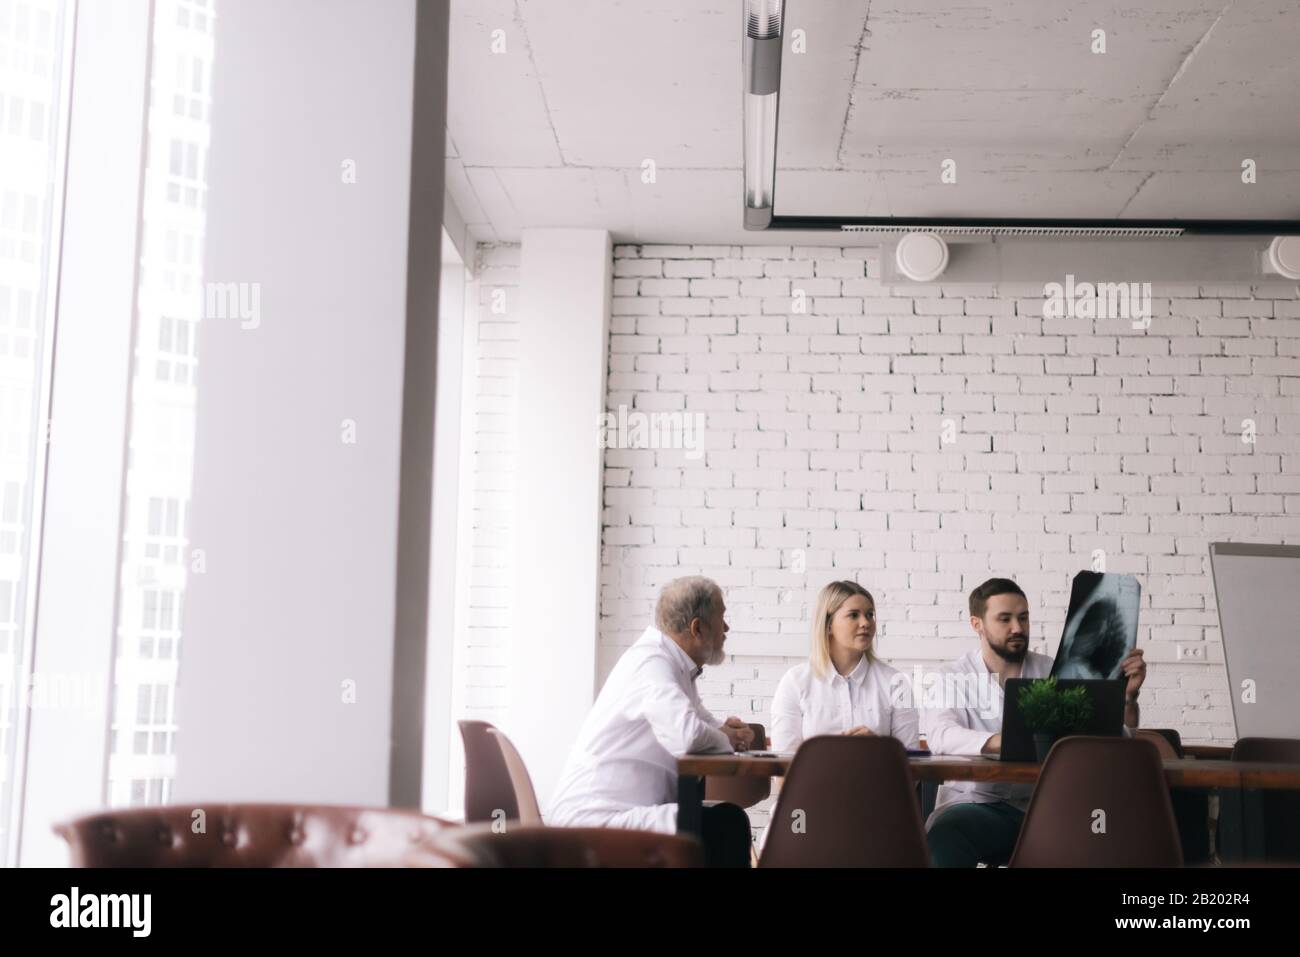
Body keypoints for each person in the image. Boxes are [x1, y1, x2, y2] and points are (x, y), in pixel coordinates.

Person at [923, 577, 1147, 868]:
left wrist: (1127, 698)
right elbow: (941, 734)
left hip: (1046, 808)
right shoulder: (951, 676)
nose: (1018, 628)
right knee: (946, 832)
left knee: (1111, 827)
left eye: (1023, 618)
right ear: (976, 624)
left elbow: (1115, 736)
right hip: (977, 805)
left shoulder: (1053, 671)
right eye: (1005, 619)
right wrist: (1000, 741)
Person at [547, 575, 755, 866]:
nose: (727, 628)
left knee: (725, 820)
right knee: (726, 825)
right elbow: (687, 734)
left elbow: (699, 720)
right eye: (722, 618)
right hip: (595, 819)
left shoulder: (673, 666)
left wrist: (726, 730)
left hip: (620, 810)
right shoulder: (652, 663)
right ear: (698, 628)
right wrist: (728, 737)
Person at [770, 580, 920, 751]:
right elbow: (783, 770)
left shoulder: (896, 683)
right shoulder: (795, 682)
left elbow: (912, 768)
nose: (865, 623)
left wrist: (878, 749)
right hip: (814, 779)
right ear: (828, 626)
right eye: (854, 615)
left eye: (870, 614)